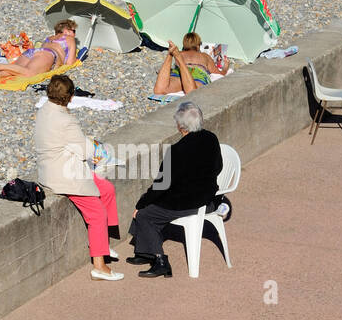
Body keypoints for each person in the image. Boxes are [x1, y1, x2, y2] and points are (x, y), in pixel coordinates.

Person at [33, 74, 122, 281]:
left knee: (107, 189)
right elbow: (85, 152)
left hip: (53, 169)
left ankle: (103, 242)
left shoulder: (45, 110)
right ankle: (99, 267)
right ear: (71, 97)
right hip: (66, 176)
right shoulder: (66, 120)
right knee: (97, 214)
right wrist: (94, 145)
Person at [125, 101, 223, 278]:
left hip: (187, 203)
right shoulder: (211, 138)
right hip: (207, 198)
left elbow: (161, 185)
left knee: (144, 214)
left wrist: (140, 205)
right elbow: (219, 167)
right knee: (149, 203)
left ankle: (160, 260)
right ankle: (144, 251)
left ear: (180, 126)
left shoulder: (177, 151)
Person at [0, 20, 78, 87]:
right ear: (66, 30)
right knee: (30, 73)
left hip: (33, 52)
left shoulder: (49, 38)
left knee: (12, 72)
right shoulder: (69, 38)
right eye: (74, 31)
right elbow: (70, 62)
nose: (75, 34)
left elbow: (41, 49)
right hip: (48, 54)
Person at [152, 32, 220, 95]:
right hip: (197, 74)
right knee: (193, 93)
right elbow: (217, 73)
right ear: (198, 46)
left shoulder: (180, 53)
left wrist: (173, 55)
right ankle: (181, 61)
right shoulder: (204, 55)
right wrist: (225, 68)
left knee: (159, 90)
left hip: (180, 73)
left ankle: (170, 55)